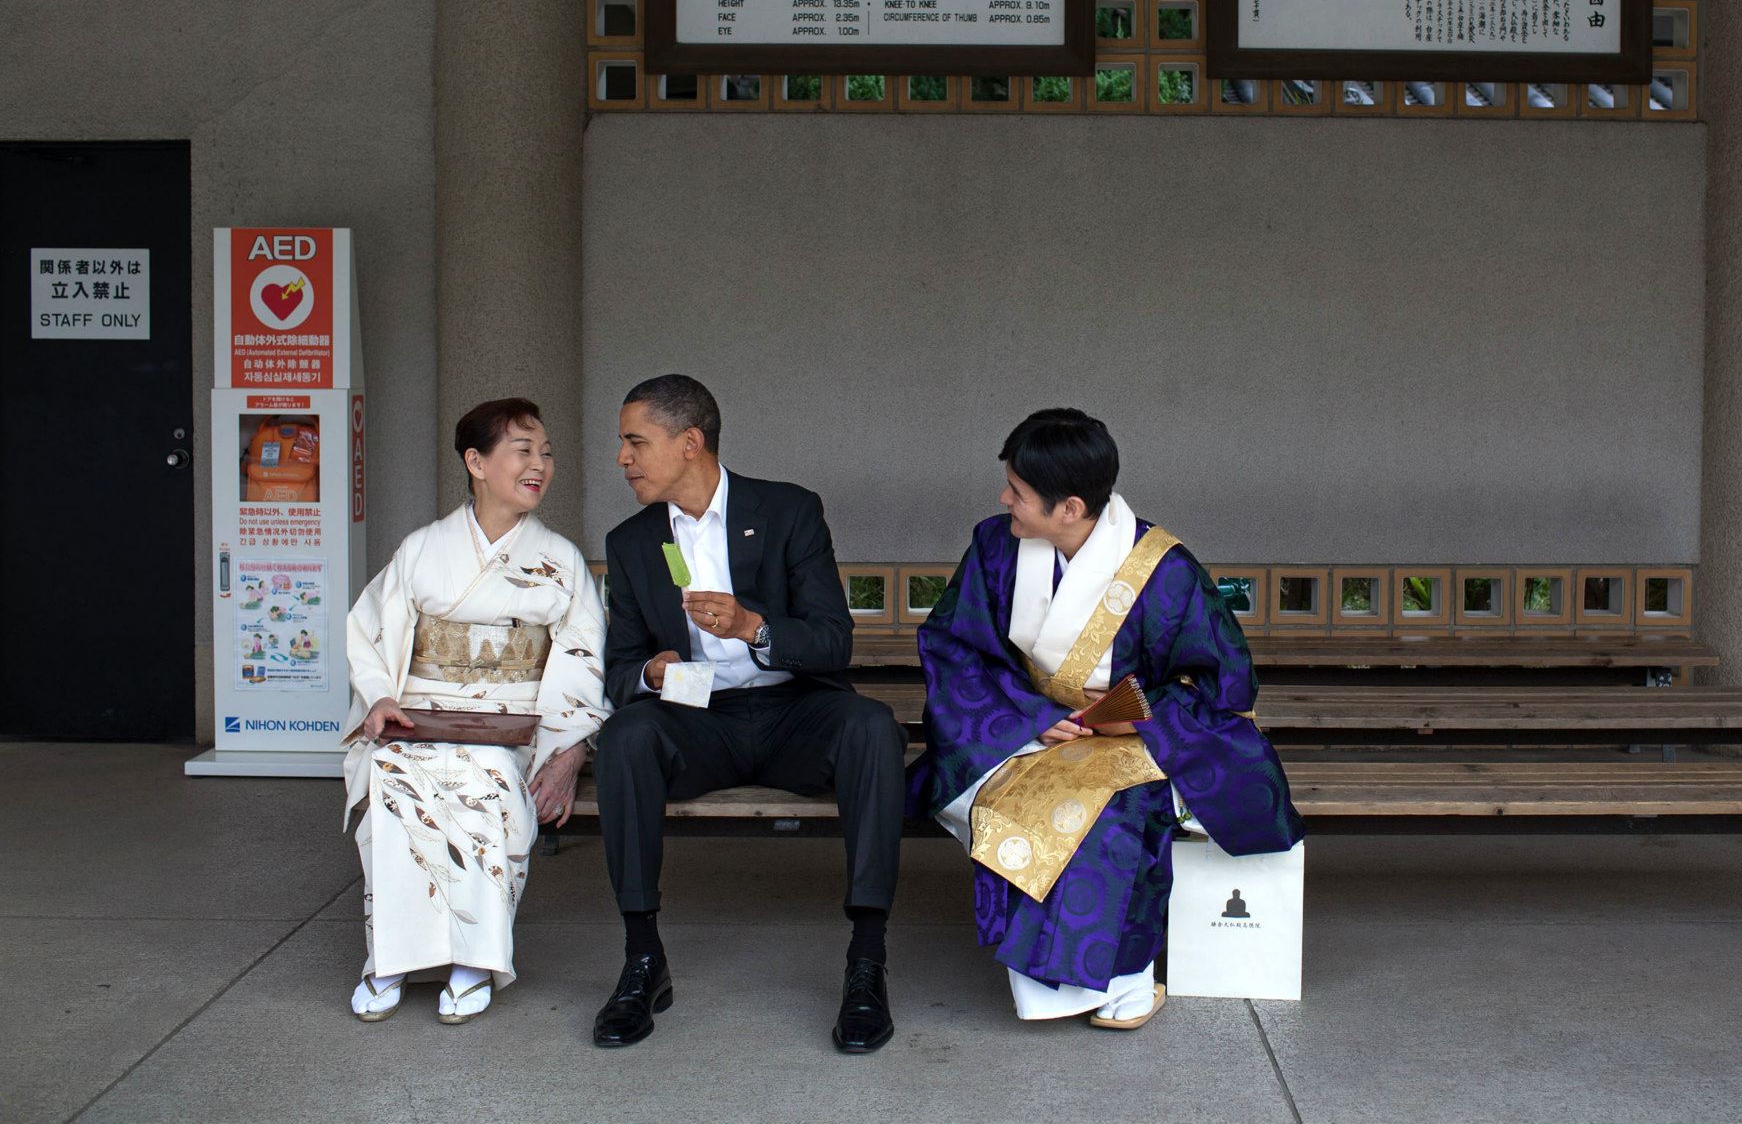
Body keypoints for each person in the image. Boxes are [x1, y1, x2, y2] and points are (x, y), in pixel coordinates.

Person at [909, 408, 1304, 1029]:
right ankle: (1079, 985)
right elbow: (955, 647)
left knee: (1110, 815)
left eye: (1017, 491)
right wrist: (1030, 714)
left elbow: (1222, 682)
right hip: (1026, 728)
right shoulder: (994, 545)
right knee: (1013, 804)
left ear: (1069, 507)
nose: (1003, 499)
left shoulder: (1164, 569)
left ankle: (1122, 983)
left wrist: (1140, 719)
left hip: (1135, 738)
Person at [591, 374, 905, 1052]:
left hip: (795, 710)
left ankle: (867, 960)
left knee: (873, 727)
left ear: (690, 442)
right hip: (698, 717)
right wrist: (650, 670)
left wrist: (754, 626)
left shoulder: (788, 511)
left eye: (635, 442)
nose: (622, 458)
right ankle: (643, 958)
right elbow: (618, 669)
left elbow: (833, 641)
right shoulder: (634, 541)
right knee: (625, 735)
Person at [341, 398, 609, 1025]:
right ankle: (389, 958)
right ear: (476, 462)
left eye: (545, 453)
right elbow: (369, 631)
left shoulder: (560, 560)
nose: (539, 464)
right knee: (392, 780)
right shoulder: (422, 549)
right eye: (523, 450)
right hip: (419, 717)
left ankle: (474, 958)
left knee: (486, 779)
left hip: (513, 726)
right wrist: (381, 696)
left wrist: (567, 747)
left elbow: (579, 656)